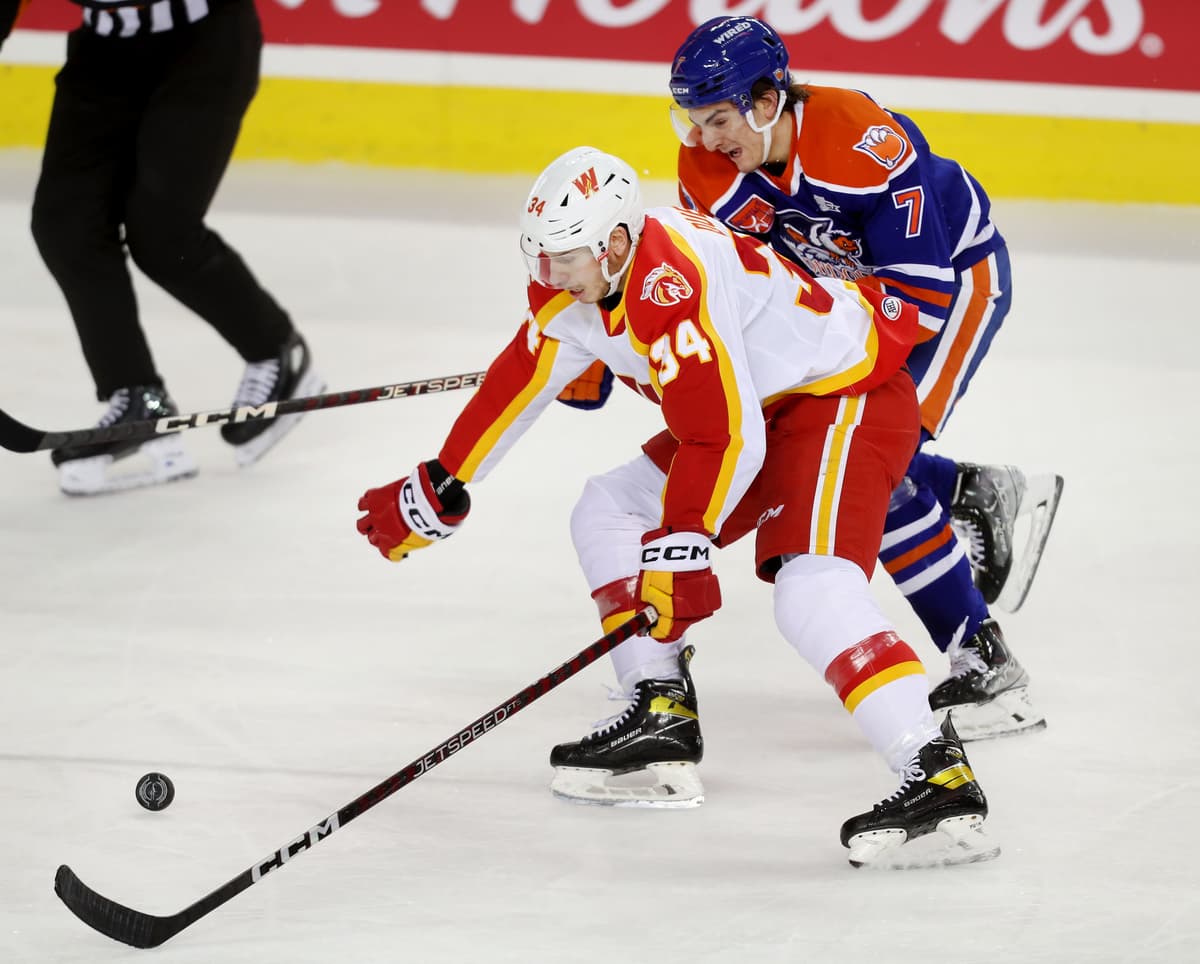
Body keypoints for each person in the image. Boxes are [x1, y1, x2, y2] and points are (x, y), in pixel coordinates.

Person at [355, 145, 998, 868]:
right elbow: (528, 369)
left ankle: (937, 776)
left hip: (841, 397)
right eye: (540, 259)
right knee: (606, 512)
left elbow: (723, 437)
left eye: (565, 258)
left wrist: (683, 545)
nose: (550, 277)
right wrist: (447, 478)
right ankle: (659, 707)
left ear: (618, 243)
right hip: (761, 411)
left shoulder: (668, 283)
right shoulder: (577, 283)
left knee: (812, 588)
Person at [666, 15, 1064, 740]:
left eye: (717, 118)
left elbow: (923, 289)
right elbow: (740, 295)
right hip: (850, 310)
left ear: (766, 99)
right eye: (690, 121)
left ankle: (987, 661)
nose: (703, 139)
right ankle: (973, 500)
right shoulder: (710, 176)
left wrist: (820, 362)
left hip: (954, 281)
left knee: (867, 462)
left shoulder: (853, 135)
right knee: (861, 461)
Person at [0, 0, 323, 495]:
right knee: (64, 225)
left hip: (204, 40)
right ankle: (137, 395)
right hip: (104, 50)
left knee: (162, 231)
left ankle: (274, 349)